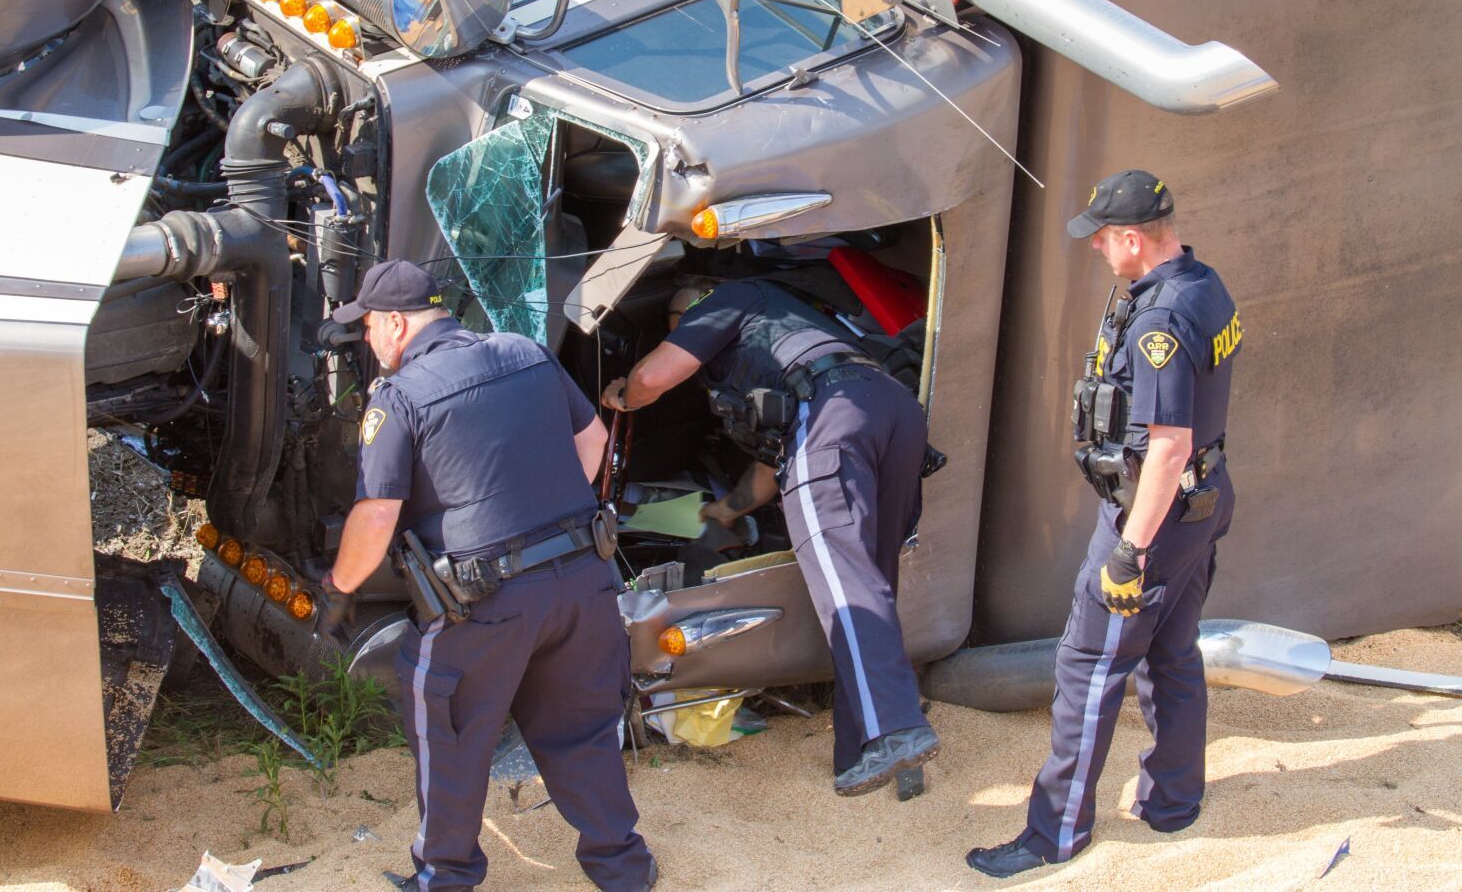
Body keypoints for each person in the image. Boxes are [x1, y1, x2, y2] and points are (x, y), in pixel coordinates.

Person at [319, 259, 656, 892]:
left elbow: (376, 515)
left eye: (366, 327)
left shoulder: (400, 397)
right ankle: (622, 867)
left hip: (484, 601)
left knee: (448, 730)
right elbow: (594, 444)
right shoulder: (524, 352)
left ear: (395, 322)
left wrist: (339, 590)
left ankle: (444, 878)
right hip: (584, 580)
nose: (366, 341)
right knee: (582, 728)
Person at [967, 171, 1241, 878]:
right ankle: (1171, 803)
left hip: (1156, 513)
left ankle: (1053, 835)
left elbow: (1167, 442)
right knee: (1172, 651)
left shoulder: (1158, 320)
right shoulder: (1201, 282)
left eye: (1099, 237)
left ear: (1129, 237)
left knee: (1088, 665)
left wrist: (1129, 550)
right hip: (1204, 498)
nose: (1093, 248)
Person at [602, 275, 939, 796]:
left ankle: (895, 729)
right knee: (868, 578)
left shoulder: (723, 301)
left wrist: (624, 395)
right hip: (890, 412)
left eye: (680, 327)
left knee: (839, 576)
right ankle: (865, 750)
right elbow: (769, 471)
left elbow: (655, 374)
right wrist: (723, 510)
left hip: (832, 417)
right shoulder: (784, 337)